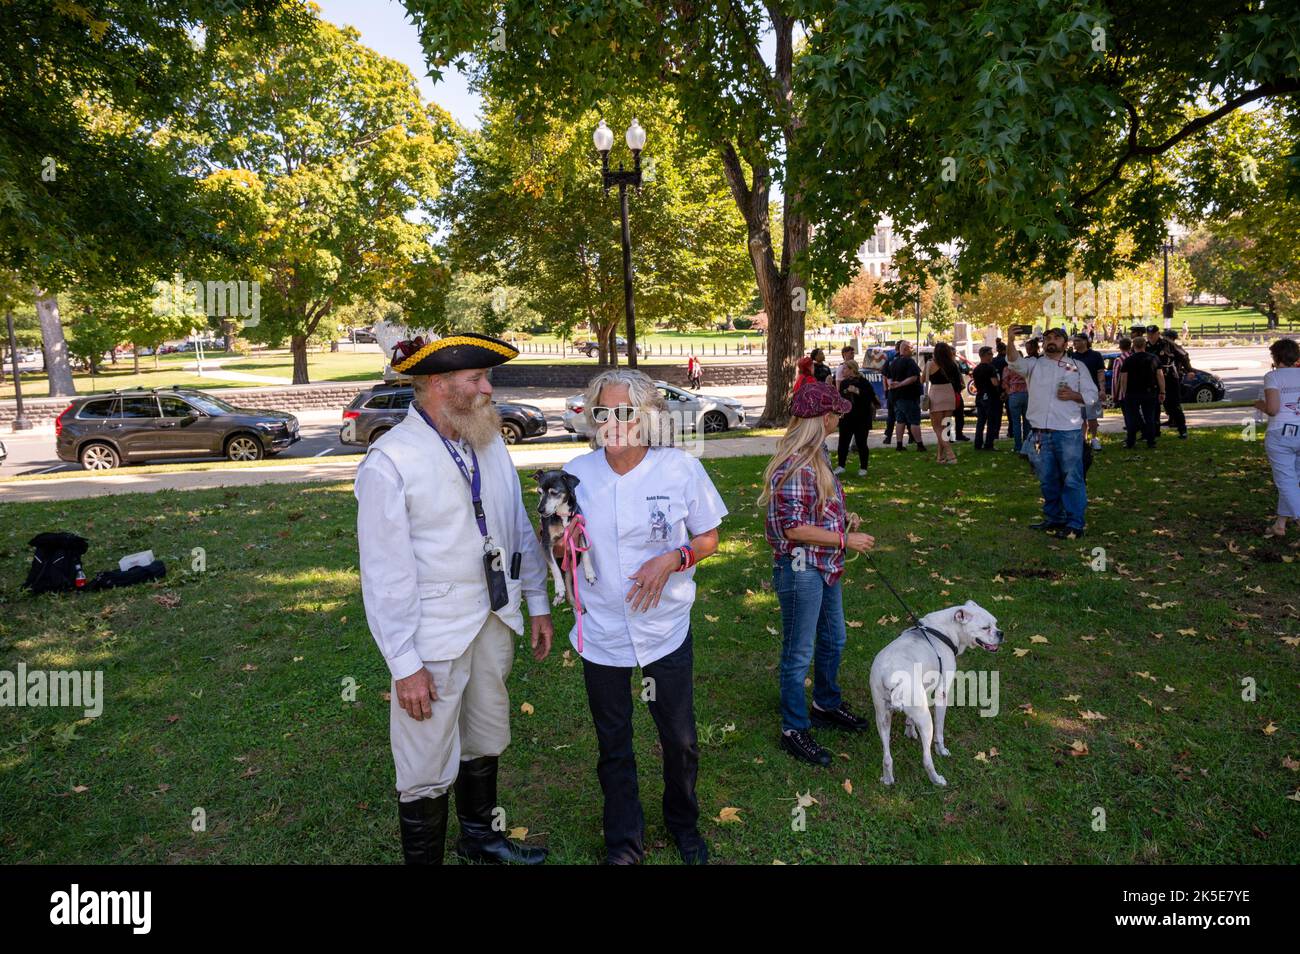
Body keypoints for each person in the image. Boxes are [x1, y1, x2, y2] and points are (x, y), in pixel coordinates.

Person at [355, 332, 553, 865]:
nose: (488, 389)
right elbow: (384, 575)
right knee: (424, 760)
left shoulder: (489, 440)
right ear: (438, 384)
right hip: (432, 635)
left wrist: (535, 600)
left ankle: (481, 841)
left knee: (486, 732)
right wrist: (404, 663)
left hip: (493, 616)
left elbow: (514, 527)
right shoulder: (391, 460)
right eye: (477, 379)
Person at [561, 368, 727, 865]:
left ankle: (684, 825)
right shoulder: (576, 473)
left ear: (647, 418)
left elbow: (709, 538)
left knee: (679, 740)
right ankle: (624, 843)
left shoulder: (678, 468)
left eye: (625, 412)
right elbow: (560, 540)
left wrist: (673, 559)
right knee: (614, 744)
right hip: (602, 631)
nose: (613, 422)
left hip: (664, 630)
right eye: (604, 412)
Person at [760, 380, 875, 767]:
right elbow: (793, 529)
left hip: (824, 565)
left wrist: (841, 517)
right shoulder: (797, 464)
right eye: (836, 412)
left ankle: (825, 704)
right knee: (799, 652)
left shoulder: (819, 454)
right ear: (823, 418)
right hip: (801, 569)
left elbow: (814, 510)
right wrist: (844, 540)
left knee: (835, 640)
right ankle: (794, 727)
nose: (841, 416)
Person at [1005, 326, 1098, 539]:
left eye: (1056, 338)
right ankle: (1054, 518)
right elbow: (1013, 361)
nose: (1051, 341)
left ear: (1065, 344)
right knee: (1047, 478)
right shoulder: (1034, 365)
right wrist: (1010, 340)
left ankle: (1075, 524)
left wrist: (1074, 395)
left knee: (1072, 478)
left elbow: (1092, 397)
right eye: (1047, 338)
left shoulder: (1078, 366)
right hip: (1039, 433)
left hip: (1068, 432)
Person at [1256, 338, 1300, 538]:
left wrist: (1260, 405)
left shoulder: (1273, 377)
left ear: (1275, 357)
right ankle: (1280, 524)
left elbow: (1273, 409)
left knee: (1286, 481)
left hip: (1281, 434)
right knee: (1293, 480)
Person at [835, 358, 879, 476]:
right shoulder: (844, 383)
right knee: (843, 442)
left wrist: (857, 391)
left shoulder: (863, 382)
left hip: (861, 418)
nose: (842, 371)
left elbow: (870, 398)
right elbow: (840, 399)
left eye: (845, 368)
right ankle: (841, 465)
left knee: (861, 443)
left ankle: (863, 467)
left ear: (851, 369)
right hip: (847, 418)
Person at [1117, 336, 1163, 449]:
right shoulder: (1154, 358)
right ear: (1145, 345)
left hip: (1132, 393)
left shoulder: (1128, 360)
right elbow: (1160, 376)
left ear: (1133, 346)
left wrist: (1123, 391)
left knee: (1131, 418)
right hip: (1149, 391)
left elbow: (1123, 378)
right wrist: (1162, 391)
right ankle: (1151, 441)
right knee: (1149, 417)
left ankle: (1131, 441)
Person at [922, 342, 961, 464]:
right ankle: (940, 457)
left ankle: (950, 454)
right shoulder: (953, 364)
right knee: (944, 427)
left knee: (937, 428)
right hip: (949, 394)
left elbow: (922, 379)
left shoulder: (930, 364)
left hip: (936, 395)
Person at [1146, 325, 1188, 438]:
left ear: (1157, 334)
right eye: (1148, 335)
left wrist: (1188, 370)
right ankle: (1155, 430)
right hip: (1153, 378)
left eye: (1153, 335)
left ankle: (1182, 429)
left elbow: (1183, 355)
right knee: (1154, 405)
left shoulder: (1167, 343)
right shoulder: (1146, 345)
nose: (1150, 337)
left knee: (1174, 404)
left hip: (1169, 377)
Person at [885, 339, 926, 452]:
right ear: (906, 349)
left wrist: (891, 385)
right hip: (909, 396)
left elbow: (888, 377)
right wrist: (900, 384)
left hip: (896, 397)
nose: (912, 350)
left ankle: (899, 445)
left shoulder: (893, 362)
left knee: (900, 421)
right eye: (911, 348)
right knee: (914, 421)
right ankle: (920, 444)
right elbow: (914, 377)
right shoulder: (910, 362)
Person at [1071, 333, 1106, 451]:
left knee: (1092, 417)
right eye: (1074, 341)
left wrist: (1102, 389)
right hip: (1077, 391)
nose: (1074, 343)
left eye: (1077, 341)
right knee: (1080, 418)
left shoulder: (1095, 355)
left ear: (1085, 341)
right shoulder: (1072, 357)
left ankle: (1094, 439)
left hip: (1092, 390)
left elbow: (1100, 373)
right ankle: (1083, 440)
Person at [1003, 338, 1034, 456]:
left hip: (1014, 395)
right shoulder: (1026, 367)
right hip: (1027, 394)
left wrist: (1009, 392)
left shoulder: (1007, 368)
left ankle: (1017, 446)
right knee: (1027, 422)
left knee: (1015, 422)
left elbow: (1005, 383)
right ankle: (1027, 445)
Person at [972, 345, 1003, 450]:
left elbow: (976, 384)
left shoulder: (976, 369)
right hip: (990, 396)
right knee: (991, 421)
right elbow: (994, 383)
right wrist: (999, 387)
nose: (992, 355)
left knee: (980, 421)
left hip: (980, 396)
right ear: (984, 355)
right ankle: (989, 444)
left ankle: (978, 443)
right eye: (990, 354)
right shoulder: (991, 368)